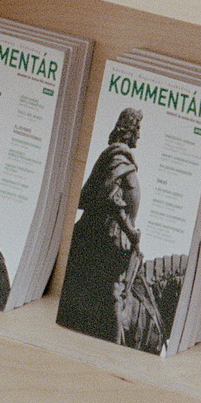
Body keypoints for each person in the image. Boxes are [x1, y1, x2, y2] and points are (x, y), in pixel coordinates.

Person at [57, 105, 143, 341]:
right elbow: (110, 196)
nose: (139, 135)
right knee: (111, 298)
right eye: (137, 129)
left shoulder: (119, 158)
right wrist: (130, 231)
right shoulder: (118, 157)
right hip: (103, 238)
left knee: (113, 296)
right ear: (130, 130)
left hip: (110, 239)